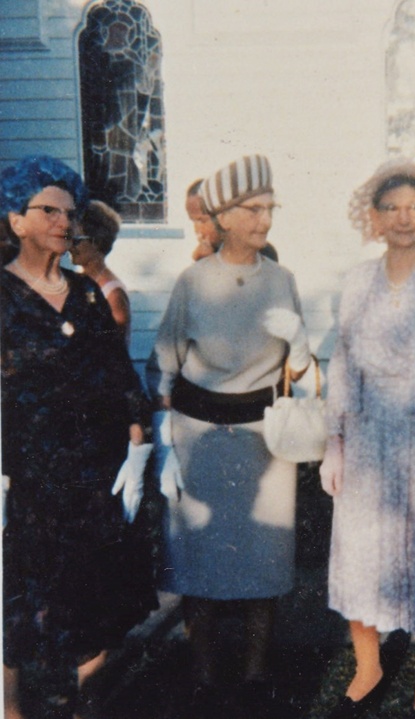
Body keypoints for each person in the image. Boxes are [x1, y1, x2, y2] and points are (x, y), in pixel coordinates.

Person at [146, 154, 310, 705]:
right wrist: (164, 437)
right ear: (223, 216)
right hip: (199, 436)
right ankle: (204, 671)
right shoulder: (193, 281)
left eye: (269, 209)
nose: (265, 220)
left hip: (264, 439)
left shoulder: (283, 278)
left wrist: (303, 345)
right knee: (200, 560)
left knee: (264, 557)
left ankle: (258, 672)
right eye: (253, 210)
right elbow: (164, 362)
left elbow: (298, 366)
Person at [1, 155, 157, 719]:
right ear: (16, 219)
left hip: (92, 472)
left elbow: (119, 376)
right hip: (24, 475)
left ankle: (85, 700)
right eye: (49, 210)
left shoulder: (87, 295)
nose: (63, 222)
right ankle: (11, 709)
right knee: (19, 594)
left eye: (70, 213)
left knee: (92, 595)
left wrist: (138, 447)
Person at [319, 159, 415, 719]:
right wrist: (334, 440)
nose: (403, 219)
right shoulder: (357, 280)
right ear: (374, 218)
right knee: (360, 551)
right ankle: (368, 667)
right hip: (367, 434)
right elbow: (343, 361)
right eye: (392, 209)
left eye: (414, 208)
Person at [68, 199, 132, 344]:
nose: (70, 246)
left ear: (96, 241)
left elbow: (116, 349)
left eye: (76, 240)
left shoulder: (113, 293)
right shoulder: (79, 282)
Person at [186, 178, 279, 263]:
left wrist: (209, 265)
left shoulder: (261, 251)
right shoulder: (207, 252)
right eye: (193, 221)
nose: (196, 229)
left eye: (202, 221)